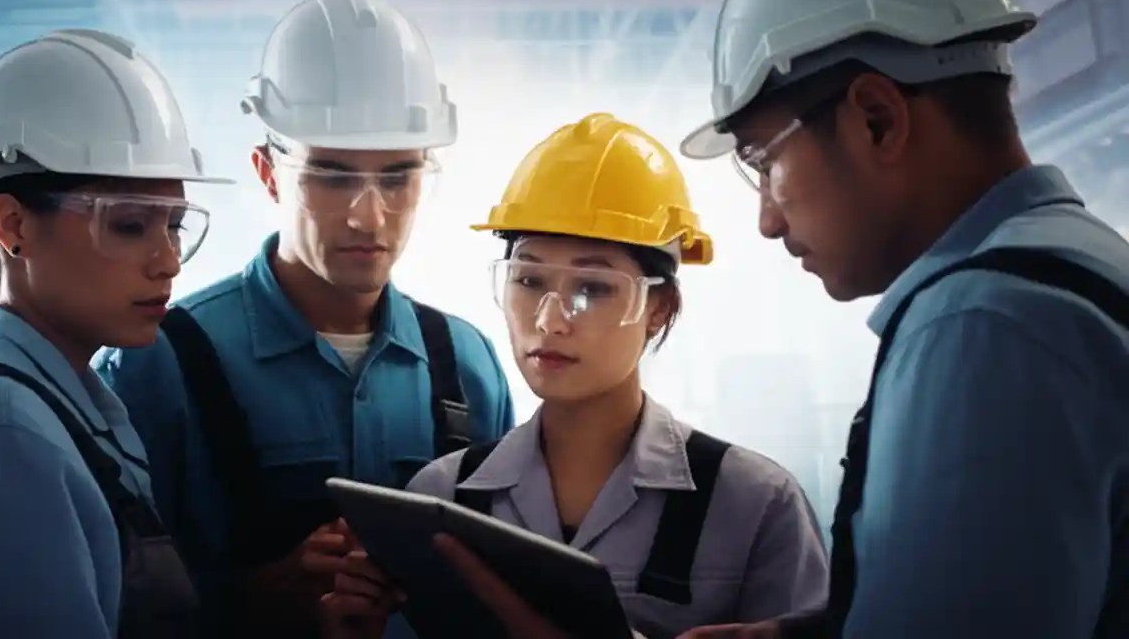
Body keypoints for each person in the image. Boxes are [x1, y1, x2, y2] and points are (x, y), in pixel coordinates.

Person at [422, 0, 1129, 637]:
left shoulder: (984, 330)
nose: (765, 218)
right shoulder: (1068, 280)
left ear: (878, 120)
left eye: (763, 160)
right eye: (528, 280)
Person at [92, 0, 515, 638]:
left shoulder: (467, 365)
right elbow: (105, 603)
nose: (368, 215)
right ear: (268, 173)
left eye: (397, 178)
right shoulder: (156, 363)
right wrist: (255, 599)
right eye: (333, 176)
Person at [321, 113, 829, 639]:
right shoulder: (441, 498)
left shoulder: (754, 506)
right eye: (529, 279)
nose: (549, 319)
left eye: (592, 288)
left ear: (660, 308)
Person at [0, 28, 232, 638]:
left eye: (176, 227)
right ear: (14, 226)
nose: (169, 262)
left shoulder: (60, 410)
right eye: (132, 225)